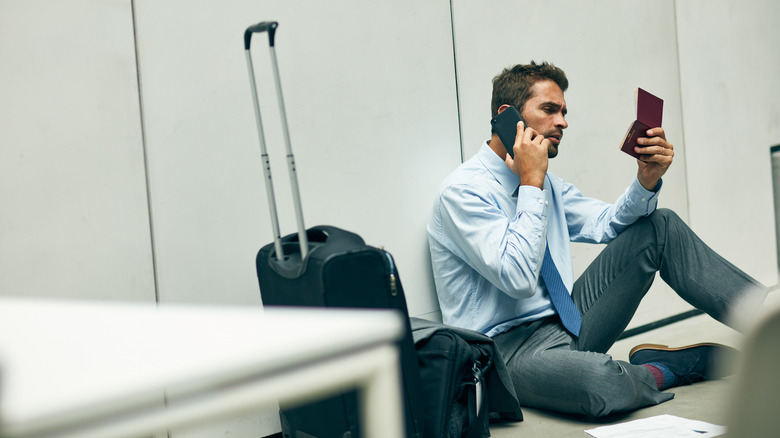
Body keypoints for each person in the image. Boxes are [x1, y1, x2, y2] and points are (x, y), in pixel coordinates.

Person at [427, 61, 768, 417]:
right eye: (549, 110)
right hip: (506, 352)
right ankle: (671, 368)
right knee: (601, 382)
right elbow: (518, 279)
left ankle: (766, 326)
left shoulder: (547, 183)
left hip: (567, 322)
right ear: (507, 115)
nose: (562, 122)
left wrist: (646, 181)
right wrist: (530, 184)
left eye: (564, 112)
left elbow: (607, 224)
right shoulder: (463, 193)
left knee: (659, 226)